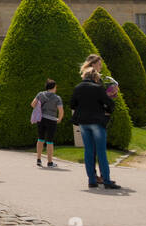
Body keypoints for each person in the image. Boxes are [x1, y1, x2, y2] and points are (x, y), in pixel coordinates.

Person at [72, 55, 121, 190]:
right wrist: (108, 108)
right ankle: (106, 180)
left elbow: (73, 104)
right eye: (99, 65)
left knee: (88, 151)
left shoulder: (78, 87)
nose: (101, 67)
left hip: (83, 122)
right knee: (101, 152)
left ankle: (92, 180)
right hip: (97, 121)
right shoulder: (97, 85)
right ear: (93, 69)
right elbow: (107, 102)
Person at [31, 78, 64, 168]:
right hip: (52, 120)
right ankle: (50, 162)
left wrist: (39, 108)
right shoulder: (57, 98)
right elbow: (61, 111)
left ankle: (38, 159)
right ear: (54, 87)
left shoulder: (40, 94)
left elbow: (33, 104)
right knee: (49, 141)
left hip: (41, 119)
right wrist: (59, 119)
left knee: (40, 139)